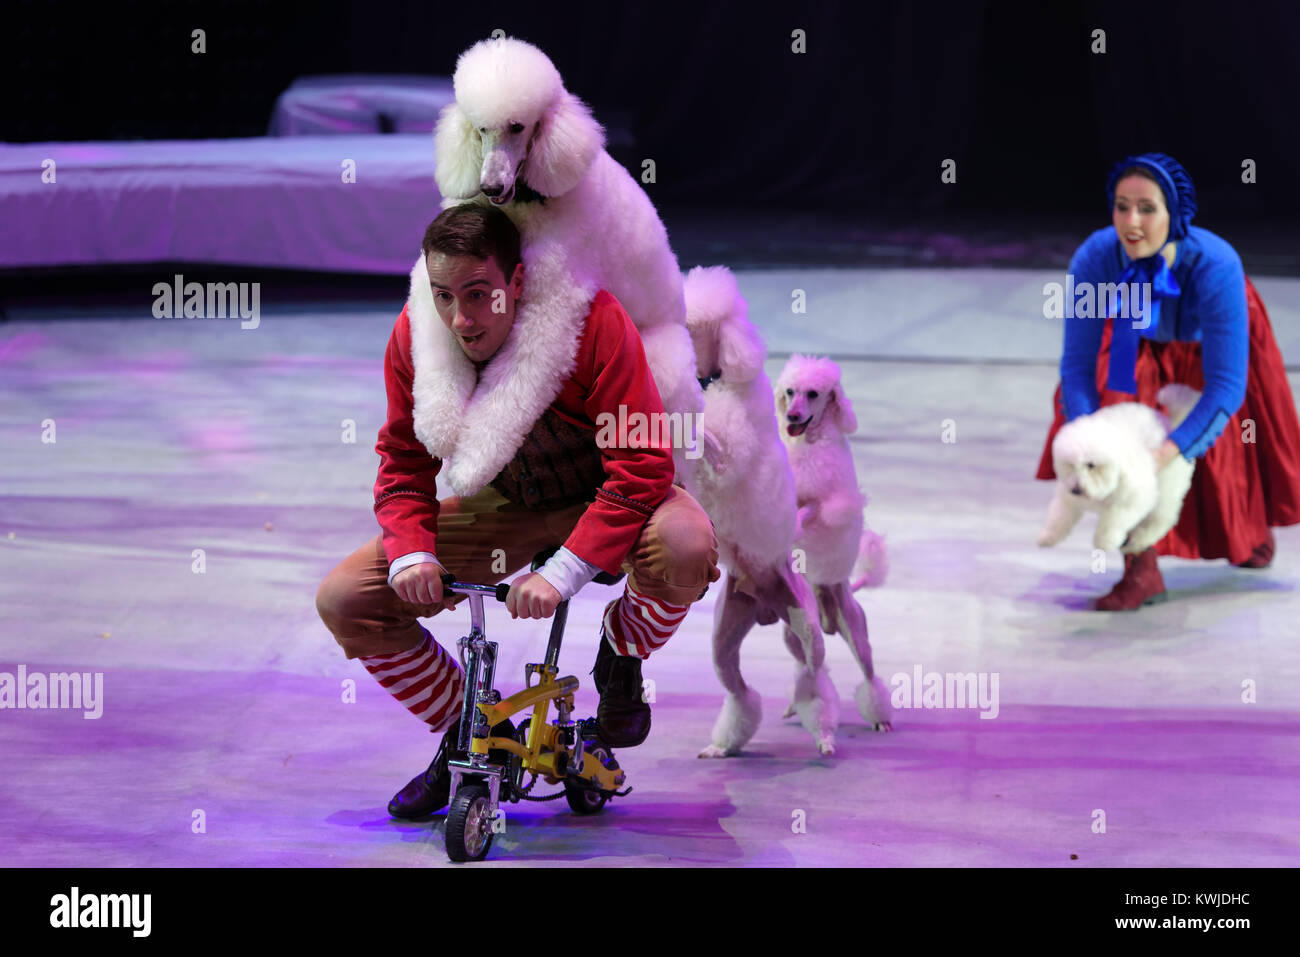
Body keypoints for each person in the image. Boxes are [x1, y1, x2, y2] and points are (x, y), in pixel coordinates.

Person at [316, 204, 719, 817]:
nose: (460, 318)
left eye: (479, 294)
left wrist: (564, 572)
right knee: (347, 600)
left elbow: (641, 463)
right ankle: (475, 731)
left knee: (686, 547)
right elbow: (402, 459)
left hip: (607, 496)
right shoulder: (418, 335)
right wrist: (410, 551)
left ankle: (621, 650)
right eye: (443, 296)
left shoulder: (592, 321)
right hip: (507, 505)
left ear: (519, 284)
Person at [1036, 152, 1300, 610]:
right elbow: (1076, 365)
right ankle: (1140, 569)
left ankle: (1246, 528)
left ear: (1175, 214)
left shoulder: (1216, 267)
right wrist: (1090, 438)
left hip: (1207, 340)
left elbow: (1225, 386)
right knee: (1114, 421)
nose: (1131, 221)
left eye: (1147, 208)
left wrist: (1166, 452)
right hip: (1132, 338)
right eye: (1121, 206)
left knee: (1227, 443)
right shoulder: (1094, 260)